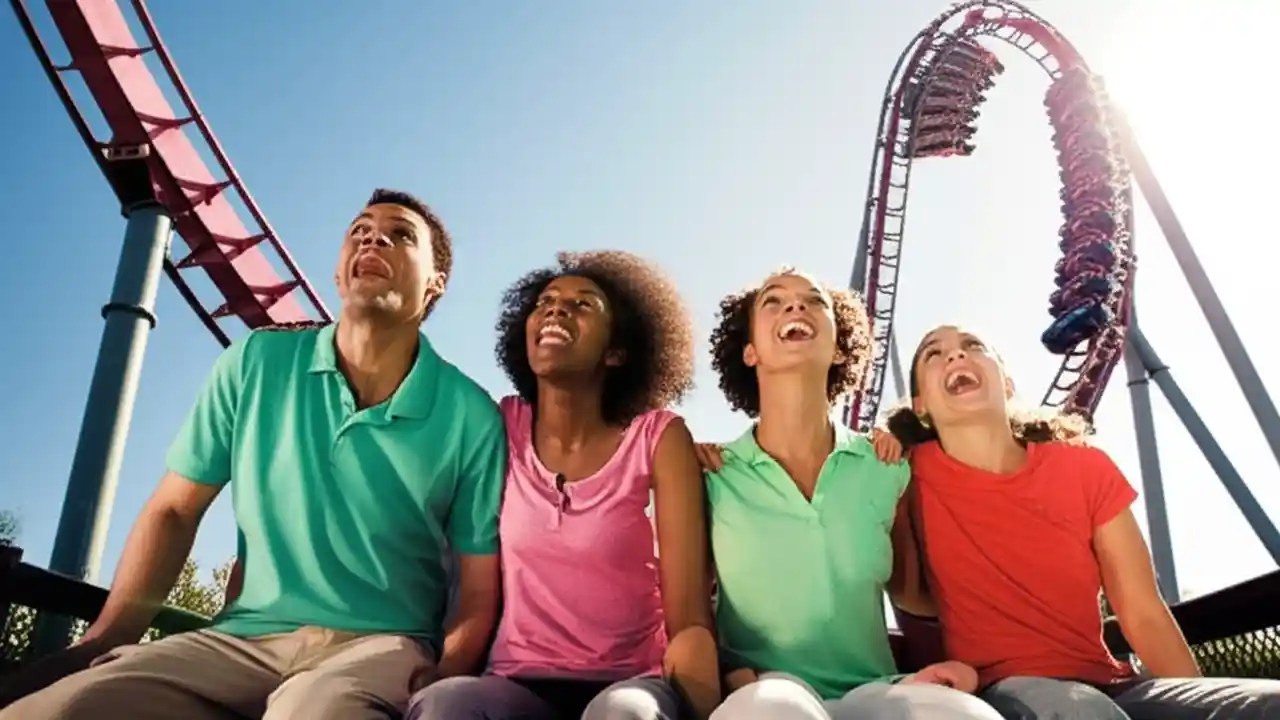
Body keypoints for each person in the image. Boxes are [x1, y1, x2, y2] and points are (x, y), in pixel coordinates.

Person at [0, 189, 506, 720]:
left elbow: (476, 585)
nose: (373, 237)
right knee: (65, 708)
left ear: (435, 285)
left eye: (401, 234)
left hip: (381, 646)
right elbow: (174, 509)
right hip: (243, 639)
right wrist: (100, 641)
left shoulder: (471, 414)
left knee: (314, 711)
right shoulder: (255, 363)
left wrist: (446, 673)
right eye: (359, 230)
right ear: (338, 274)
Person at [884, 323, 1280, 720]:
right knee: (1080, 712)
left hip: (1111, 682)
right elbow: (909, 593)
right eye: (934, 354)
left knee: (1265, 704)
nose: (956, 355)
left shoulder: (1084, 467)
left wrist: (1198, 701)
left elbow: (1142, 611)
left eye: (973, 345)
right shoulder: (905, 476)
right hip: (1001, 690)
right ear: (921, 406)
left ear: (1005, 382)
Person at [406, 251, 718, 720]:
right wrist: (445, 667)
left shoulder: (657, 436)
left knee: (626, 714)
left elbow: (689, 615)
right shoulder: (499, 426)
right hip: (516, 681)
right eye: (546, 301)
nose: (556, 309)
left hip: (632, 680)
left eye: (583, 304)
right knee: (444, 705)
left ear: (617, 351)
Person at [698, 269, 1001, 720]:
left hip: (875, 689)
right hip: (763, 689)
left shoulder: (886, 466)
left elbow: (913, 595)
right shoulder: (711, 473)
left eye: (813, 300)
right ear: (749, 351)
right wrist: (725, 674)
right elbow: (681, 606)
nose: (795, 307)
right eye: (773, 301)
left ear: (840, 344)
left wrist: (965, 661)